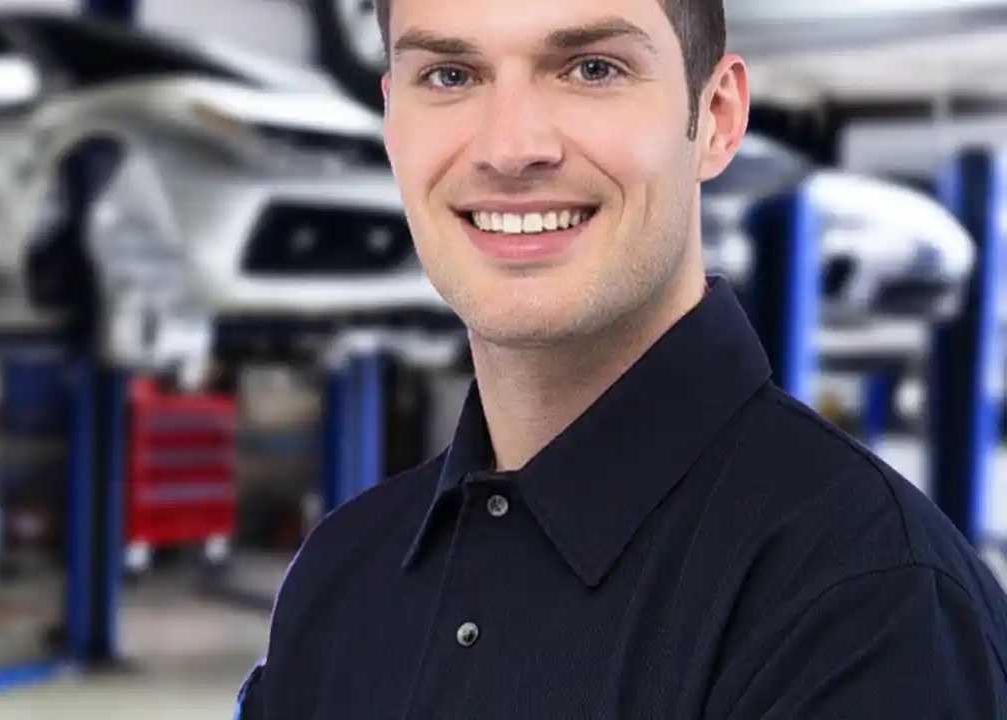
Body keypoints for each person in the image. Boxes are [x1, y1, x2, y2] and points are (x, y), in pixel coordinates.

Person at [237, 0, 1007, 716]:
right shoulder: (338, 579)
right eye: (449, 75)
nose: (511, 148)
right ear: (391, 121)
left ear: (715, 117)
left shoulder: (866, 602)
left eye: (591, 69)